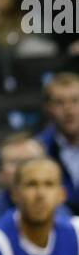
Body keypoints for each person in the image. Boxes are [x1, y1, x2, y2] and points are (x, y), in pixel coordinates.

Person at [35, 73, 79, 213]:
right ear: (48, 108)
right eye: (59, 102)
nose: (68, 109)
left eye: (75, 101)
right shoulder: (38, 150)